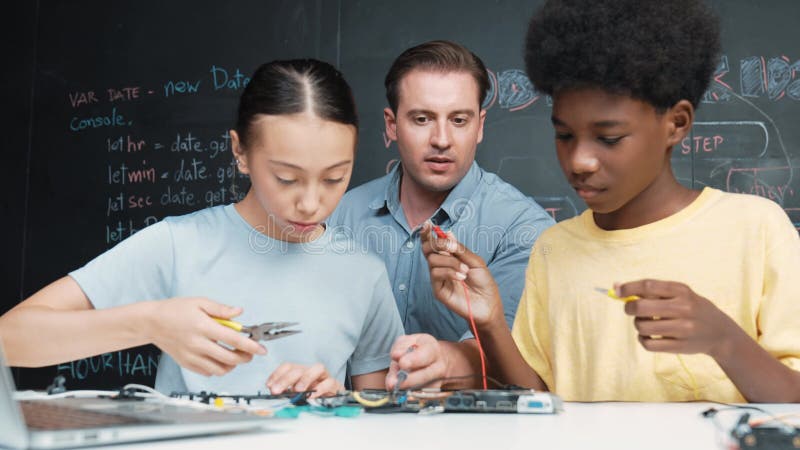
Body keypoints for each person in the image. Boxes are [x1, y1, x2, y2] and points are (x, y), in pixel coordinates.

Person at [418, 0, 800, 402]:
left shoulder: (756, 230)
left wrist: (724, 340)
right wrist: (492, 321)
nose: (579, 160)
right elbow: (540, 399)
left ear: (677, 124)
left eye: (609, 138)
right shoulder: (555, 247)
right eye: (565, 136)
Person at [0, 59, 404, 398]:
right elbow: (9, 337)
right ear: (239, 153)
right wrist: (149, 321)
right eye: (286, 178)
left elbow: (378, 413)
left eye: (335, 178)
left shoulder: (363, 273)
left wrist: (336, 401)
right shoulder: (179, 244)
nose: (312, 203)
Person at [327, 40, 554, 390]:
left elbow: (514, 359)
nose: (442, 139)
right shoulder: (338, 216)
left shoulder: (524, 228)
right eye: (422, 119)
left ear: (479, 126)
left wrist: (443, 361)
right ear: (391, 125)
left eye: (459, 120)